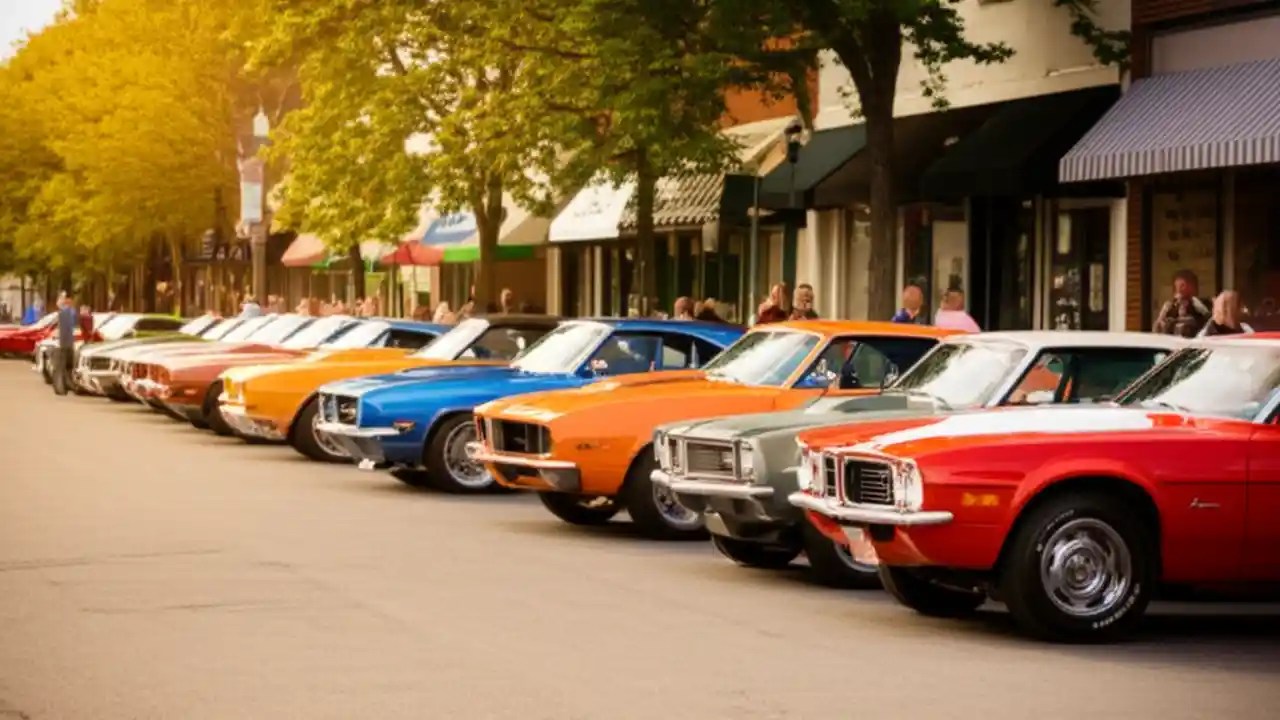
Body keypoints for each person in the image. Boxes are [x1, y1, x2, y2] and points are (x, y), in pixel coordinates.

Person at [1153, 269, 1210, 338]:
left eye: (1182, 285)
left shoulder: (1200, 307)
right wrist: (1162, 315)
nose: (1179, 289)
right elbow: (1157, 331)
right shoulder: (1171, 308)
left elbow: (1208, 324)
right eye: (1176, 286)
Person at [52, 294, 78, 396]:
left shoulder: (63, 313)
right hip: (69, 344)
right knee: (67, 368)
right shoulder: (71, 312)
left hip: (64, 344)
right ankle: (66, 387)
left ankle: (61, 389)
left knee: (60, 368)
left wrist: (61, 343)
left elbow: (64, 331)